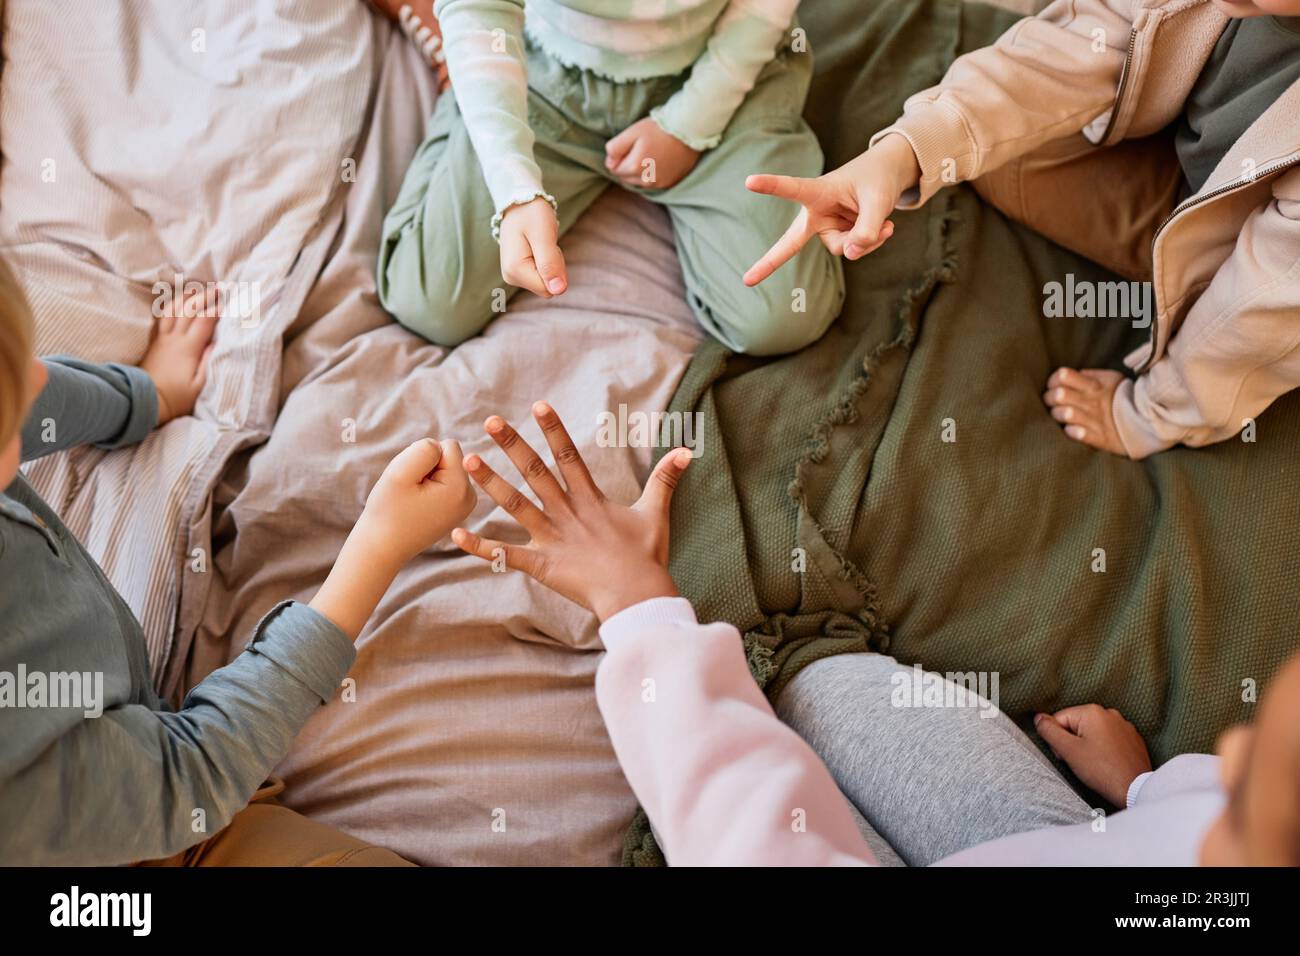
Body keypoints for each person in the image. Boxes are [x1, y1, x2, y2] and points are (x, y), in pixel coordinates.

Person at [454, 402, 1299, 865]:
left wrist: (636, 607)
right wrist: (1150, 795)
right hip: (1074, 845)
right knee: (821, 690)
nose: (1233, 756)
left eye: (1250, 778)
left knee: (783, 732)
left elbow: (740, 839)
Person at [0, 261, 475, 865]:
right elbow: (191, 777)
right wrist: (377, 548)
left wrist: (144, 396)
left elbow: (28, 393)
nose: (37, 374)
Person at [744, 0, 1300, 458]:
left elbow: (1259, 314)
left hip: (1259, 249)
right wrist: (902, 154)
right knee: (994, 153)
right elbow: (1086, 36)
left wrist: (1150, 413)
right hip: (1196, 170)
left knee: (1248, 311)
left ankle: (1184, 278)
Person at [374, 0, 844, 356]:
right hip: (546, 68)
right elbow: (479, 9)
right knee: (428, 303)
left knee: (783, 319)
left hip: (724, 60)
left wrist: (689, 124)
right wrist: (514, 187)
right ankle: (452, 66)